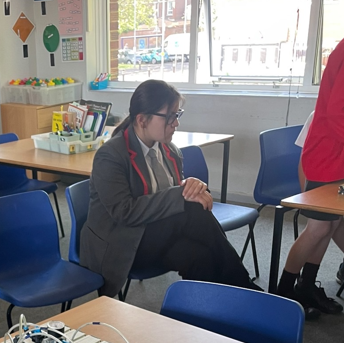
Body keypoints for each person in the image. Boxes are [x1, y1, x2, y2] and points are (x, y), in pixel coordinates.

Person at [80, 79, 256, 298]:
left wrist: (191, 186)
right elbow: (124, 212)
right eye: (170, 116)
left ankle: (213, 316)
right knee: (191, 210)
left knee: (198, 256)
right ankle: (247, 291)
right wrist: (183, 195)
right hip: (122, 242)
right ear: (142, 119)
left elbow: (170, 194)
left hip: (158, 234)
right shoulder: (111, 155)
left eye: (177, 114)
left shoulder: (170, 150)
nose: (176, 123)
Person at [276, 37, 344, 315]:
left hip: (336, 152)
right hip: (327, 152)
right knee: (317, 227)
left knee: (328, 226)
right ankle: (283, 293)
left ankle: (305, 287)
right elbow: (337, 113)